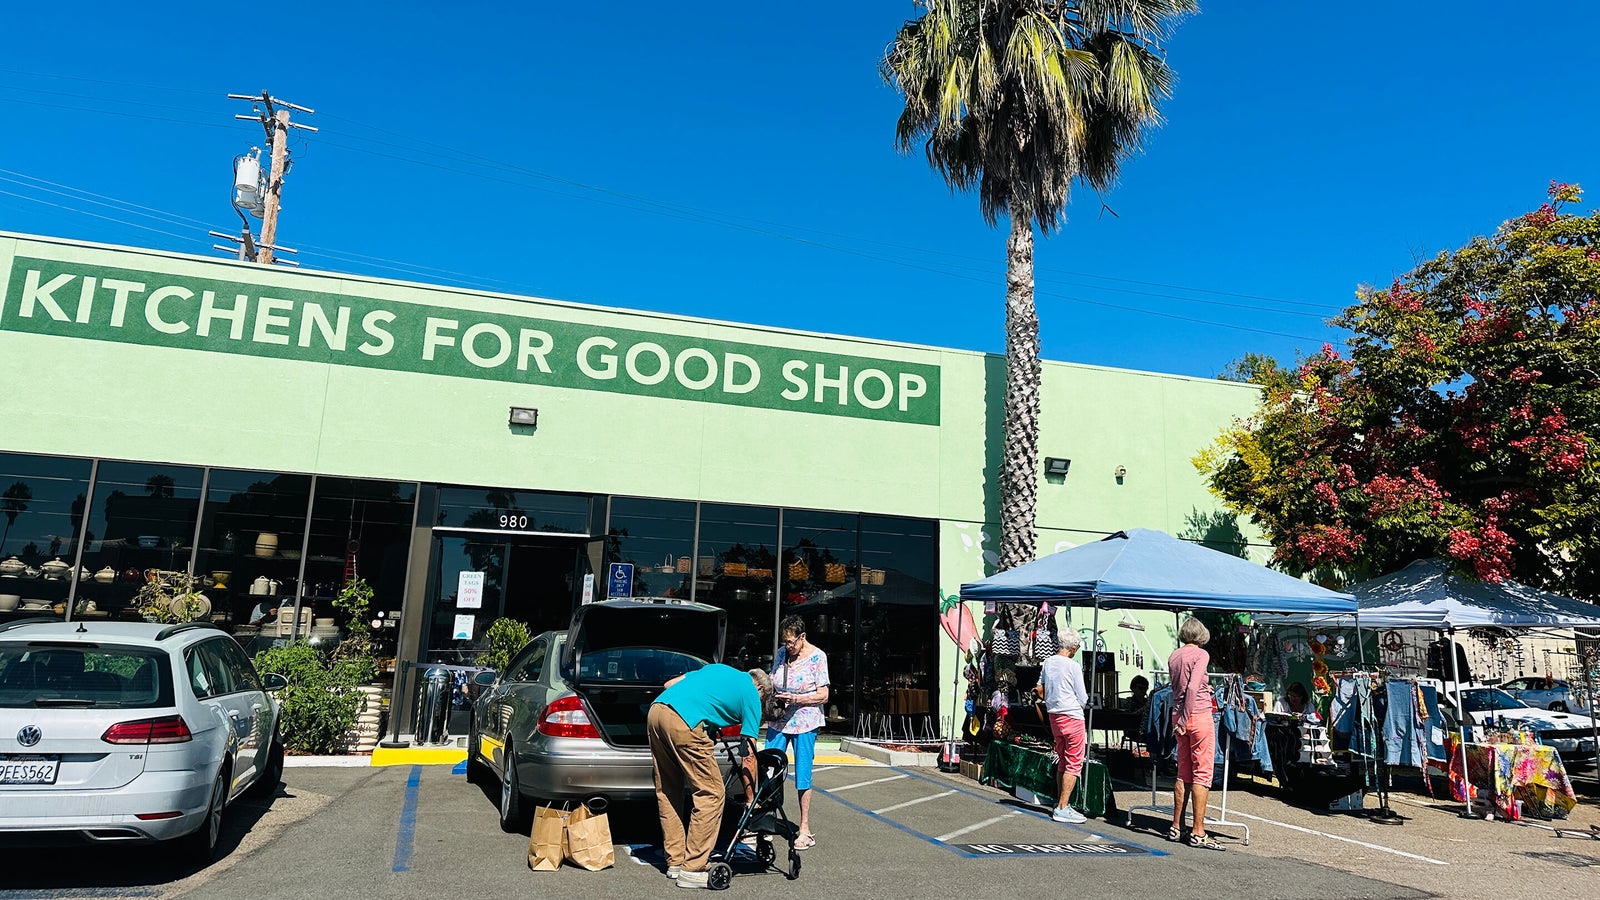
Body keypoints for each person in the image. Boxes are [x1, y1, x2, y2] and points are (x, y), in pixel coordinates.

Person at [648, 663, 774, 889]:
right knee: (712, 794)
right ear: (761, 690)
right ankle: (693, 868)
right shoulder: (752, 694)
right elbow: (749, 756)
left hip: (657, 712)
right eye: (763, 700)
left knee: (668, 790)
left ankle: (675, 862)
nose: (761, 703)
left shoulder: (718, 669)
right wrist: (750, 798)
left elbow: (669, 684)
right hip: (685, 722)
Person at [767, 615, 829, 850]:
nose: (788, 646)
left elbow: (824, 695)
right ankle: (766, 820)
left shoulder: (818, 656)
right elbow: (773, 680)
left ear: (802, 637)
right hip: (779, 721)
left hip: (805, 721)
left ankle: (804, 828)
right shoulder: (782, 654)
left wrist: (797, 699)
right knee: (769, 768)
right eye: (784, 641)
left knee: (803, 774)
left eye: (791, 641)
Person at [1168, 617, 1223, 851]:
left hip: (1177, 713)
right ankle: (1198, 831)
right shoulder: (1201, 655)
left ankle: (1176, 825)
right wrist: (1187, 715)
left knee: (1183, 771)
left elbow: (1181, 686)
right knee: (1202, 772)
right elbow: (1191, 687)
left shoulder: (1174, 655)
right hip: (1197, 714)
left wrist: (1180, 717)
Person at [1034, 629, 1088, 823]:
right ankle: (1063, 807)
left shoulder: (1048, 662)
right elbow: (1082, 696)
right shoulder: (1073, 666)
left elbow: (1040, 687)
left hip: (1054, 715)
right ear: (1073, 647)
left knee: (1063, 759)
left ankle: (1061, 802)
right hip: (1072, 715)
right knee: (1074, 761)